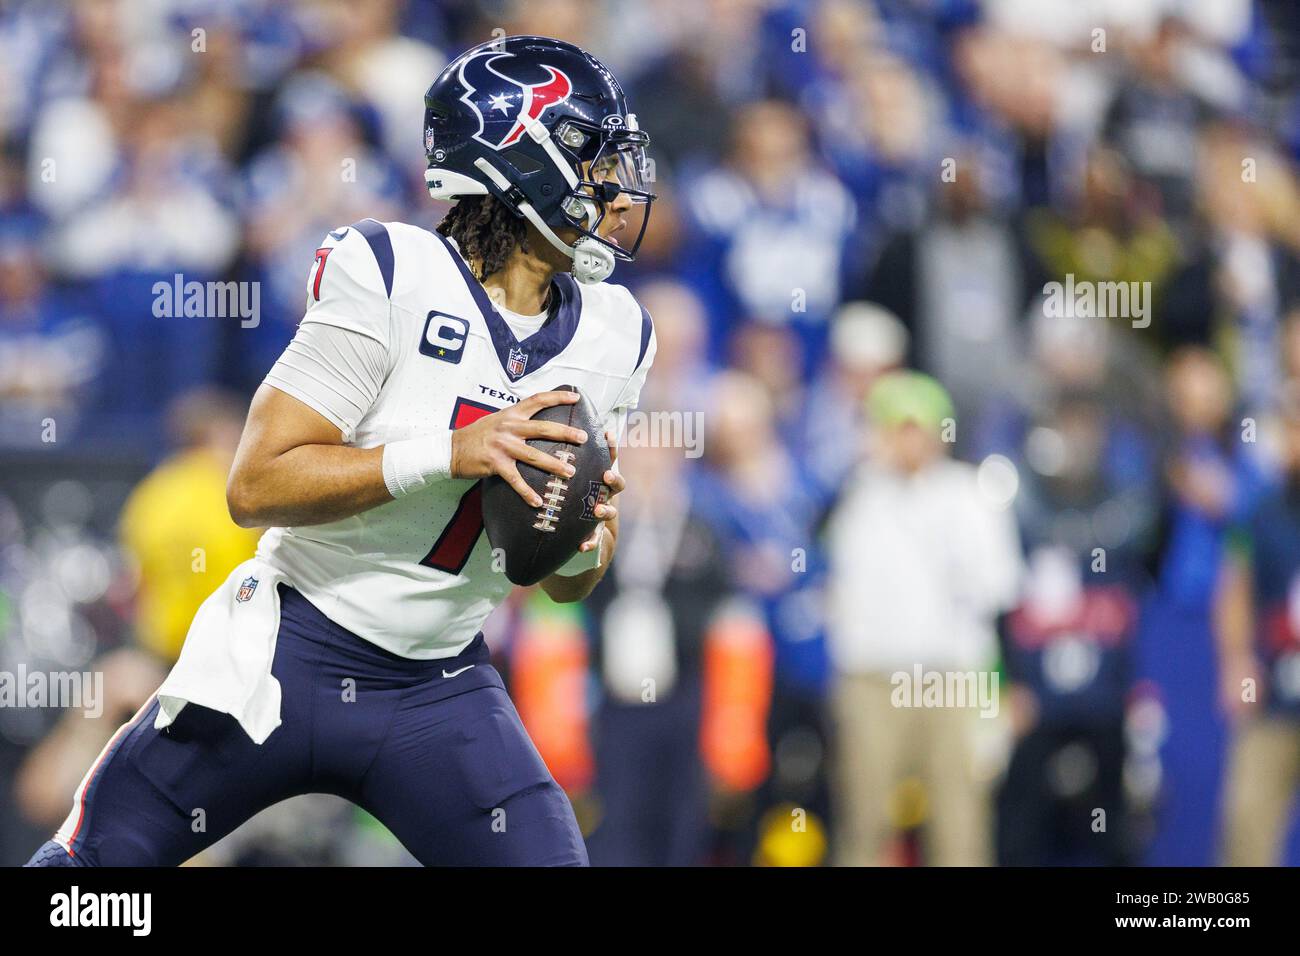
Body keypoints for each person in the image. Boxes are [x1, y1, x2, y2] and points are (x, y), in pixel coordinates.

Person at [26, 35, 657, 868]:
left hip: (440, 685)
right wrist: (449, 452)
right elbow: (254, 485)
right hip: (291, 653)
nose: (614, 190)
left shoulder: (616, 334)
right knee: (90, 877)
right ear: (520, 161)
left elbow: (566, 583)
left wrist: (584, 537)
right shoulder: (391, 271)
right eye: (593, 160)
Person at [826, 371, 1021, 866]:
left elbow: (998, 591)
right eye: (894, 427)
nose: (906, 441)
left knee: (960, 819)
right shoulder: (854, 494)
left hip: (950, 676)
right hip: (871, 676)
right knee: (865, 817)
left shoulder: (971, 495)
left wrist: (1000, 686)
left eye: (917, 428)